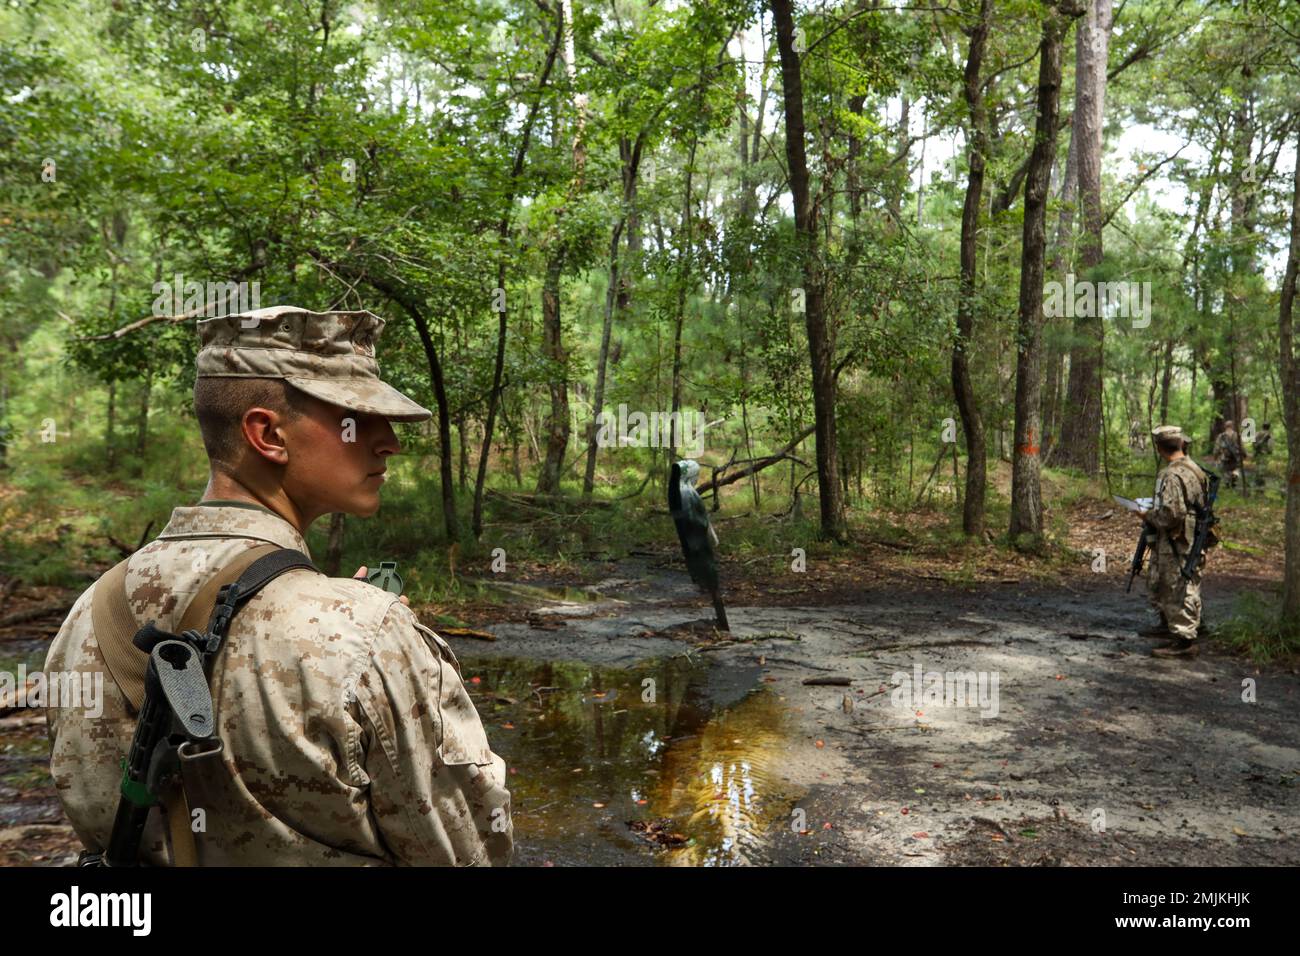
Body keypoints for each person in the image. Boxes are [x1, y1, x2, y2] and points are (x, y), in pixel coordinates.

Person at [44, 305, 513, 865]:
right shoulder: (365, 633)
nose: (388, 441)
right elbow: (471, 849)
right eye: (355, 417)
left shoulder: (88, 613)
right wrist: (371, 640)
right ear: (267, 434)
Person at [1134, 425, 1210, 658]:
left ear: (1159, 448)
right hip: (1189, 536)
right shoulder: (1194, 468)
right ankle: (1170, 627)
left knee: (1179, 584)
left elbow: (1171, 514)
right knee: (1169, 581)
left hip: (1178, 539)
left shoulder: (1172, 474)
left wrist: (1146, 515)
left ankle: (1185, 642)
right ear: (1180, 444)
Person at [1214, 419, 1246, 489]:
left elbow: (1217, 448)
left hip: (1225, 457)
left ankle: (1227, 482)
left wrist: (1215, 456)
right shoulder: (1237, 435)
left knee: (1225, 470)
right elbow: (1241, 446)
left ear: (1225, 426)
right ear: (1232, 426)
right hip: (1235, 456)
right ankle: (1234, 479)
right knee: (1236, 469)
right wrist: (1244, 454)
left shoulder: (1221, 436)